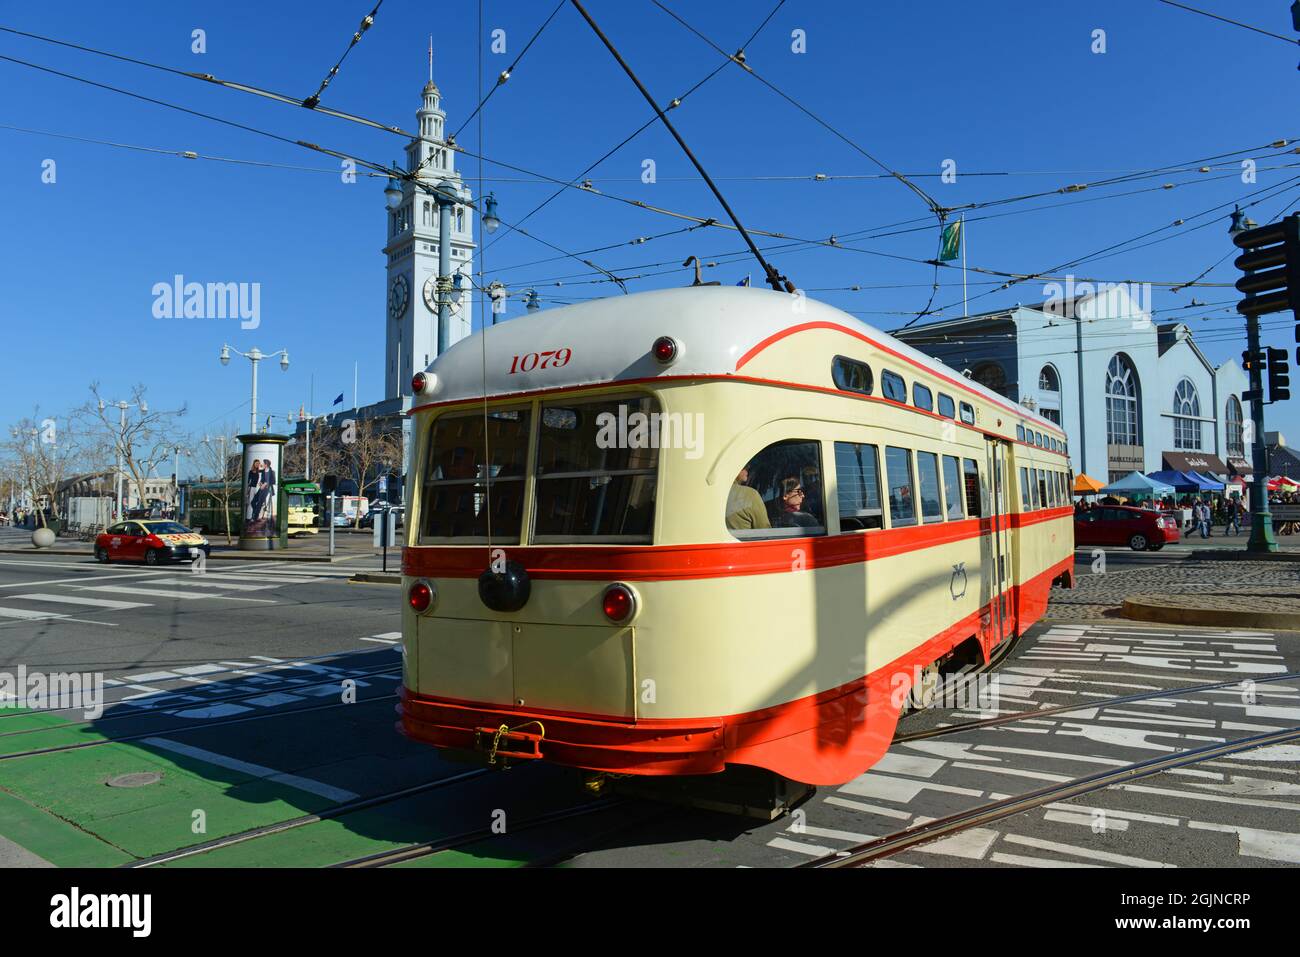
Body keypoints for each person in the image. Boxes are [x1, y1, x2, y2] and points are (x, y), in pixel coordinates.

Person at [725, 467, 770, 531]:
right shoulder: (751, 495)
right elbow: (765, 531)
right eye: (745, 467)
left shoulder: (713, 493)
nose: (748, 469)